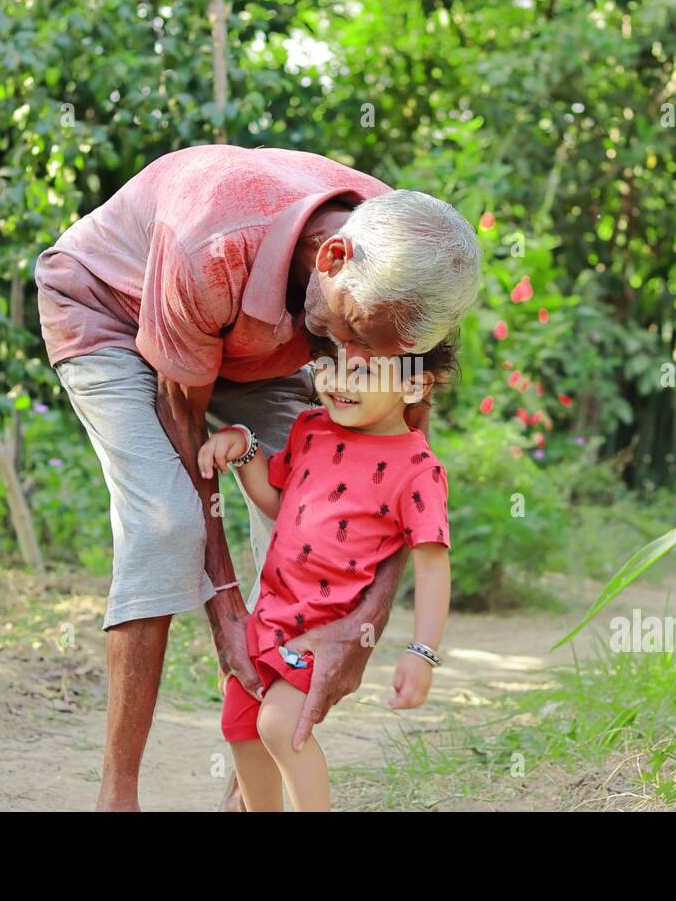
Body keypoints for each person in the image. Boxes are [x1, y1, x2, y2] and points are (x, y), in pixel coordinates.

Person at [34, 145, 481, 810]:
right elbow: (183, 418)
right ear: (331, 260)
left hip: (259, 344)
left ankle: (251, 791)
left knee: (317, 519)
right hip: (115, 315)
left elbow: (397, 470)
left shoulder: (402, 248)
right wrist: (228, 612)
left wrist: (366, 625)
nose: (355, 364)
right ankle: (117, 793)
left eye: (380, 355)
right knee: (166, 523)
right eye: (354, 336)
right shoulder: (209, 245)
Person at [199, 344, 455, 810]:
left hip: (322, 626)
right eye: (330, 364)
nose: (338, 380)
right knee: (240, 724)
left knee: (279, 725)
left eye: (361, 370)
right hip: (271, 611)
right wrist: (244, 448)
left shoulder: (417, 469)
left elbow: (433, 564)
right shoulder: (312, 429)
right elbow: (281, 504)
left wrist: (422, 652)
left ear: (414, 384)